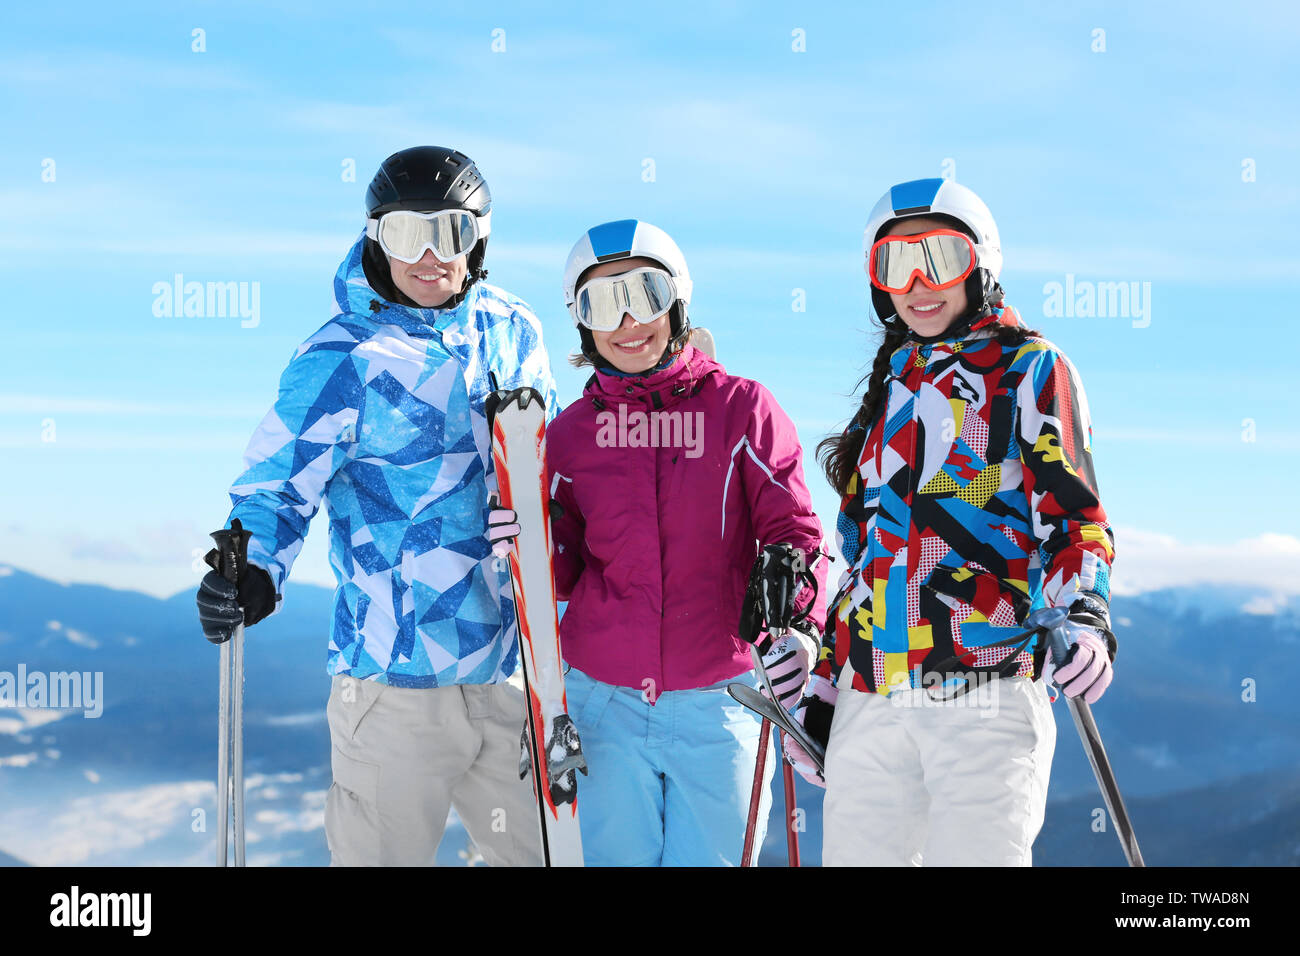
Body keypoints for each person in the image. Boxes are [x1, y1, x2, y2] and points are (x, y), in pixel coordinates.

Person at [195, 146, 557, 866]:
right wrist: (253, 566)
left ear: (479, 240)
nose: (427, 255)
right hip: (393, 683)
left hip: (513, 670)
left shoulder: (514, 331)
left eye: (449, 233)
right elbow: (278, 481)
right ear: (373, 238)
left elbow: (550, 467)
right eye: (403, 234)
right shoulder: (341, 355)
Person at [790, 178, 1116, 867]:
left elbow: (1074, 517)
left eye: (940, 257)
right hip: (870, 699)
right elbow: (865, 563)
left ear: (982, 265)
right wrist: (824, 682)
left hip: (985, 692)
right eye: (894, 264)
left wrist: (1084, 614)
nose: (917, 282)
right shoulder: (892, 386)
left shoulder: (1029, 369)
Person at [496, 218, 828, 866]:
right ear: (580, 323)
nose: (626, 322)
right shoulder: (566, 436)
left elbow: (795, 533)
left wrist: (799, 624)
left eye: (643, 294)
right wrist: (521, 540)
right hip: (602, 702)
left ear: (677, 300)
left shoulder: (743, 410)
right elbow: (560, 571)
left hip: (721, 700)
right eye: (601, 303)